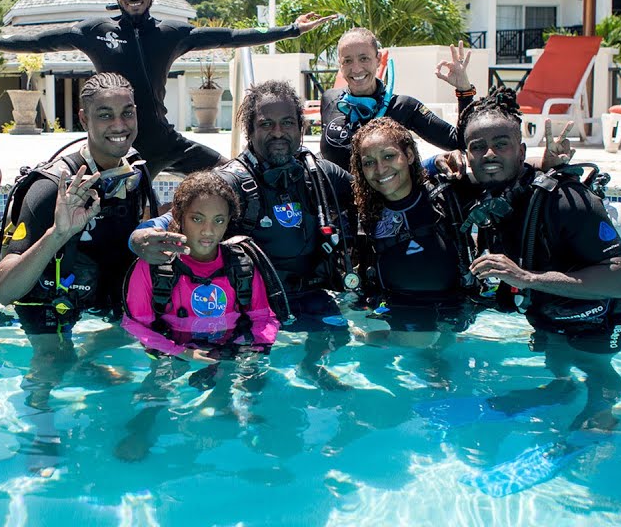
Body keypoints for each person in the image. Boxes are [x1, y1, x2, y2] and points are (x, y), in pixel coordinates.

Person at [0, 0, 335, 177]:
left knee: (232, 176)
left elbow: (230, 36)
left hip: (162, 140)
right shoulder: (93, 29)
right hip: (114, 143)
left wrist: (290, 31)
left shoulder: (172, 31)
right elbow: (37, 42)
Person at [133, 80, 356, 389]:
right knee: (251, 387)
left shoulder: (319, 175)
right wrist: (139, 237)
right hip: (250, 311)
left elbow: (377, 187)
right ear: (250, 130)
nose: (278, 132)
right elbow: (176, 218)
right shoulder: (231, 182)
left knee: (341, 339)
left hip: (312, 298)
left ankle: (311, 366)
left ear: (301, 127)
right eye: (266, 124)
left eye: (287, 123)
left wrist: (430, 164)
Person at [0, 73, 158, 469]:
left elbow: (144, 233)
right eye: (105, 115)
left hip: (96, 293)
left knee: (154, 332)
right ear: (84, 119)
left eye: (127, 113)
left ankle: (83, 361)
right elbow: (1, 291)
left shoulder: (135, 175)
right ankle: (40, 429)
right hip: (47, 298)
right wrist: (57, 233)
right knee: (50, 362)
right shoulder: (50, 188)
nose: (119, 126)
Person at [459, 87, 621, 431]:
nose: (489, 153)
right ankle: (562, 388)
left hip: (596, 320)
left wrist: (527, 279)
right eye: (478, 147)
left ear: (522, 151)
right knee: (560, 369)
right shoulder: (493, 200)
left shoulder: (567, 199)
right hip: (549, 316)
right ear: (468, 156)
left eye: (501, 143)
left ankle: (602, 408)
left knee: (598, 373)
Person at [116, 171, 283, 461]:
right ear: (178, 217)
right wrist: (181, 353)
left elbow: (263, 318)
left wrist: (254, 351)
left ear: (229, 222)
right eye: (197, 219)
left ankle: (231, 412)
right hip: (173, 349)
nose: (208, 230)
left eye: (219, 221)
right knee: (157, 387)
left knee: (253, 384)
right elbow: (135, 326)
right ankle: (141, 427)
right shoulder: (153, 267)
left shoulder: (241, 265)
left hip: (230, 347)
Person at [349, 118, 483, 350]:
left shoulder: (448, 195)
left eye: (389, 156)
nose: (380, 169)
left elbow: (503, 174)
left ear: (409, 155)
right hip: (396, 311)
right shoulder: (362, 213)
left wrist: (548, 162)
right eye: (369, 162)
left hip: (456, 308)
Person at [319, 28, 478, 171]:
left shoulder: (404, 107)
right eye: (347, 61)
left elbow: (461, 142)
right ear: (340, 65)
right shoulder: (330, 99)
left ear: (378, 59)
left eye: (364, 58)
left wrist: (464, 91)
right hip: (331, 202)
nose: (356, 68)